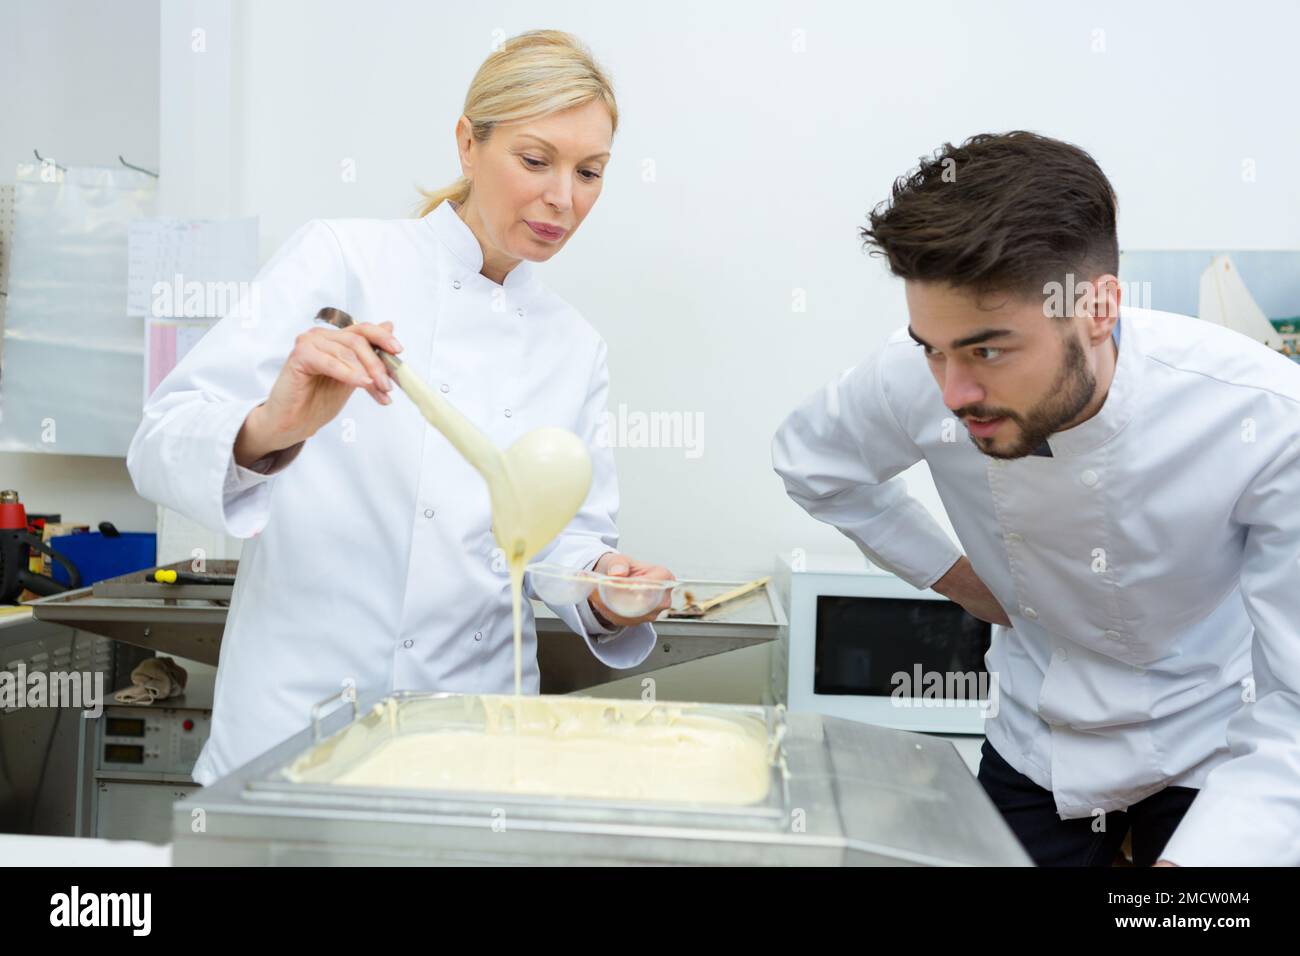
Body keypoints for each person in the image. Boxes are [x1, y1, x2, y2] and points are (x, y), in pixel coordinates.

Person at [128, 30, 672, 786]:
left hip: (471, 735)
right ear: (467, 144)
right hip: (292, 730)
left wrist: (607, 588)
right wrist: (273, 428)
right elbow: (160, 441)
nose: (563, 198)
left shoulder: (574, 346)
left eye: (590, 171)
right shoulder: (342, 262)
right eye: (536, 160)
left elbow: (559, 539)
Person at [772, 131, 1300, 866]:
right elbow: (811, 462)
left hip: (1213, 743)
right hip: (1038, 741)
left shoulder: (1264, 417)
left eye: (989, 350)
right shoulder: (912, 378)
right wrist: (956, 578)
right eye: (932, 347)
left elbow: (1297, 711)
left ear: (1098, 308)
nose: (953, 393)